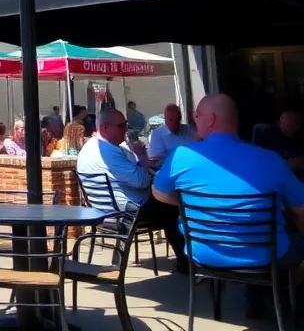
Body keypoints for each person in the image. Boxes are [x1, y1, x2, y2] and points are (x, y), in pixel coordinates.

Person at [154, 94, 304, 320]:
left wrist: (194, 202)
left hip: (203, 254)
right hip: (266, 256)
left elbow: (159, 193)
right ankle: (284, 302)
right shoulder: (271, 160)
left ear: (211, 119)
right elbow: (301, 209)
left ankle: (258, 296)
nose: (194, 121)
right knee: (294, 243)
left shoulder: (182, 156)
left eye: (197, 116)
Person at [78, 107, 186, 272]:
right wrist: (142, 158)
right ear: (104, 128)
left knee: (167, 203)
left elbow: (133, 171)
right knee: (172, 203)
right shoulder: (109, 153)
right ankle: (187, 262)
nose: (126, 129)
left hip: (104, 210)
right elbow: (142, 181)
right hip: (126, 213)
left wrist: (138, 159)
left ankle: (186, 259)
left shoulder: (92, 148)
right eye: (121, 126)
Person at [253, 109, 304, 175]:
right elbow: (256, 159)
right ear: (280, 119)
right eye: (288, 119)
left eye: (297, 121)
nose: (292, 123)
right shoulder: (266, 134)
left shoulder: (301, 140)